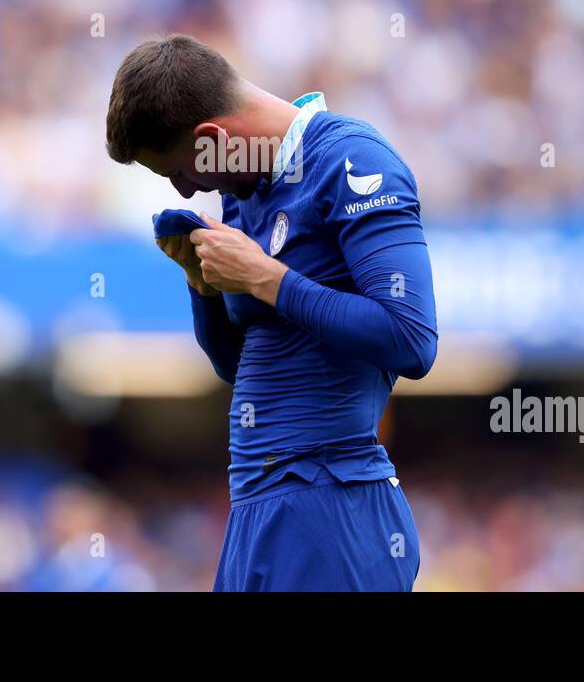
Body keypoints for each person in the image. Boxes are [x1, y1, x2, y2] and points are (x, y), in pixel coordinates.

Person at [106, 34, 438, 590]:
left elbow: (412, 339)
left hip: (333, 505)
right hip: (257, 503)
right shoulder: (245, 192)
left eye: (178, 172)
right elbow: (247, 367)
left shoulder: (352, 160)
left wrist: (266, 278)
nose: (186, 192)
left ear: (213, 139)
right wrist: (204, 289)